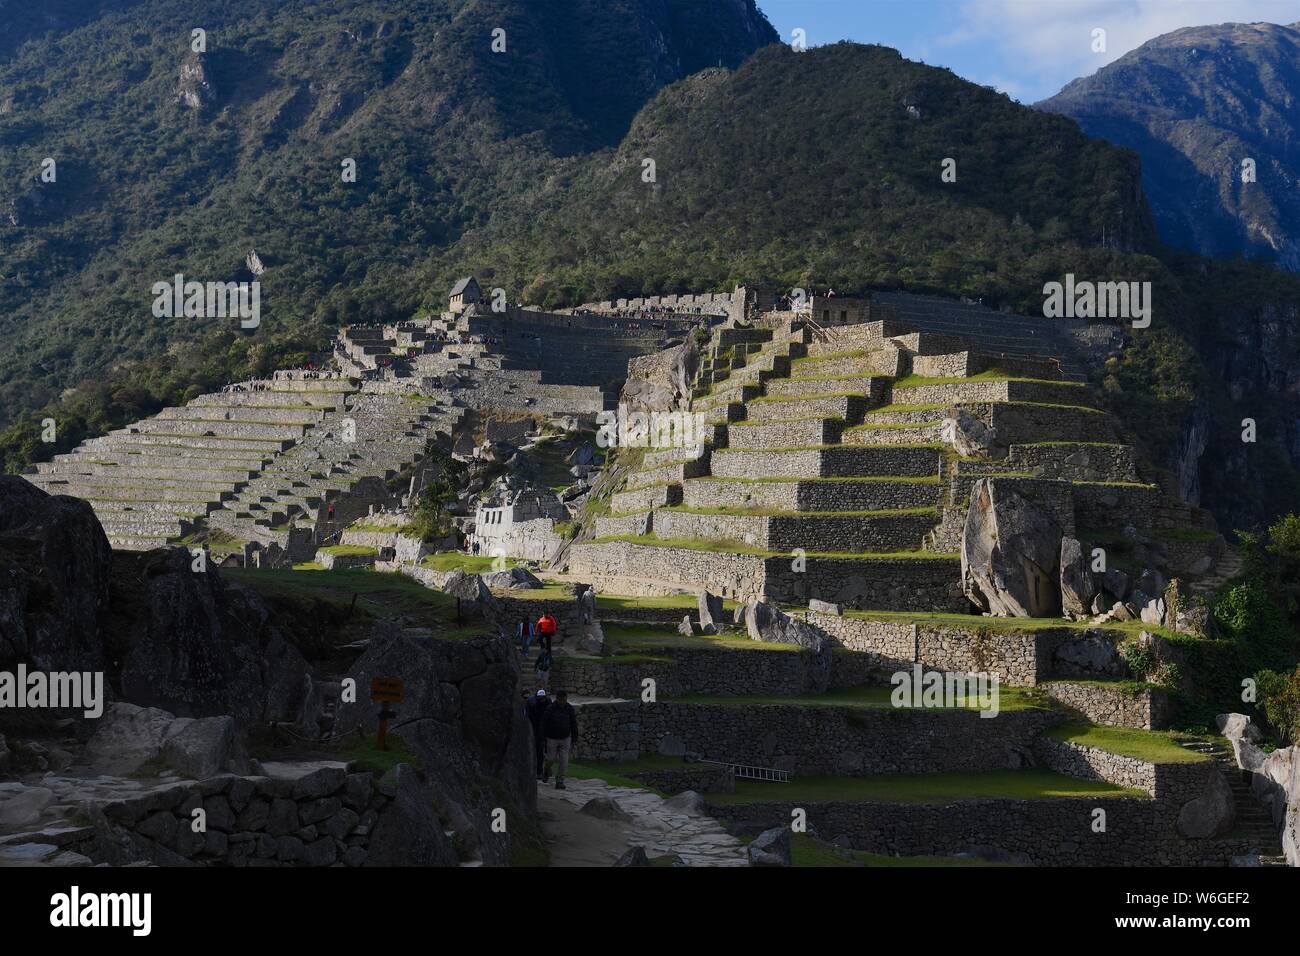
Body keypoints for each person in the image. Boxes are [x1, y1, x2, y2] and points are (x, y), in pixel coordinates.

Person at [541, 690, 578, 789]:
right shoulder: (550, 709)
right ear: (557, 699)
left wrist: (574, 737)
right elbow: (544, 723)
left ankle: (560, 781)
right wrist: (543, 737)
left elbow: (573, 723)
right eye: (561, 700)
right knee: (550, 759)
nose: (563, 702)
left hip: (565, 738)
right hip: (552, 738)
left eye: (565, 700)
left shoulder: (569, 708)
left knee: (564, 762)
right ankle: (546, 770)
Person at [526, 689, 550, 780]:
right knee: (538, 751)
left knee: (547, 752)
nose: (542, 700)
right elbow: (529, 718)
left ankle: (543, 771)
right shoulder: (532, 703)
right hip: (535, 729)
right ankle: (538, 771)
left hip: (545, 730)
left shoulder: (548, 702)